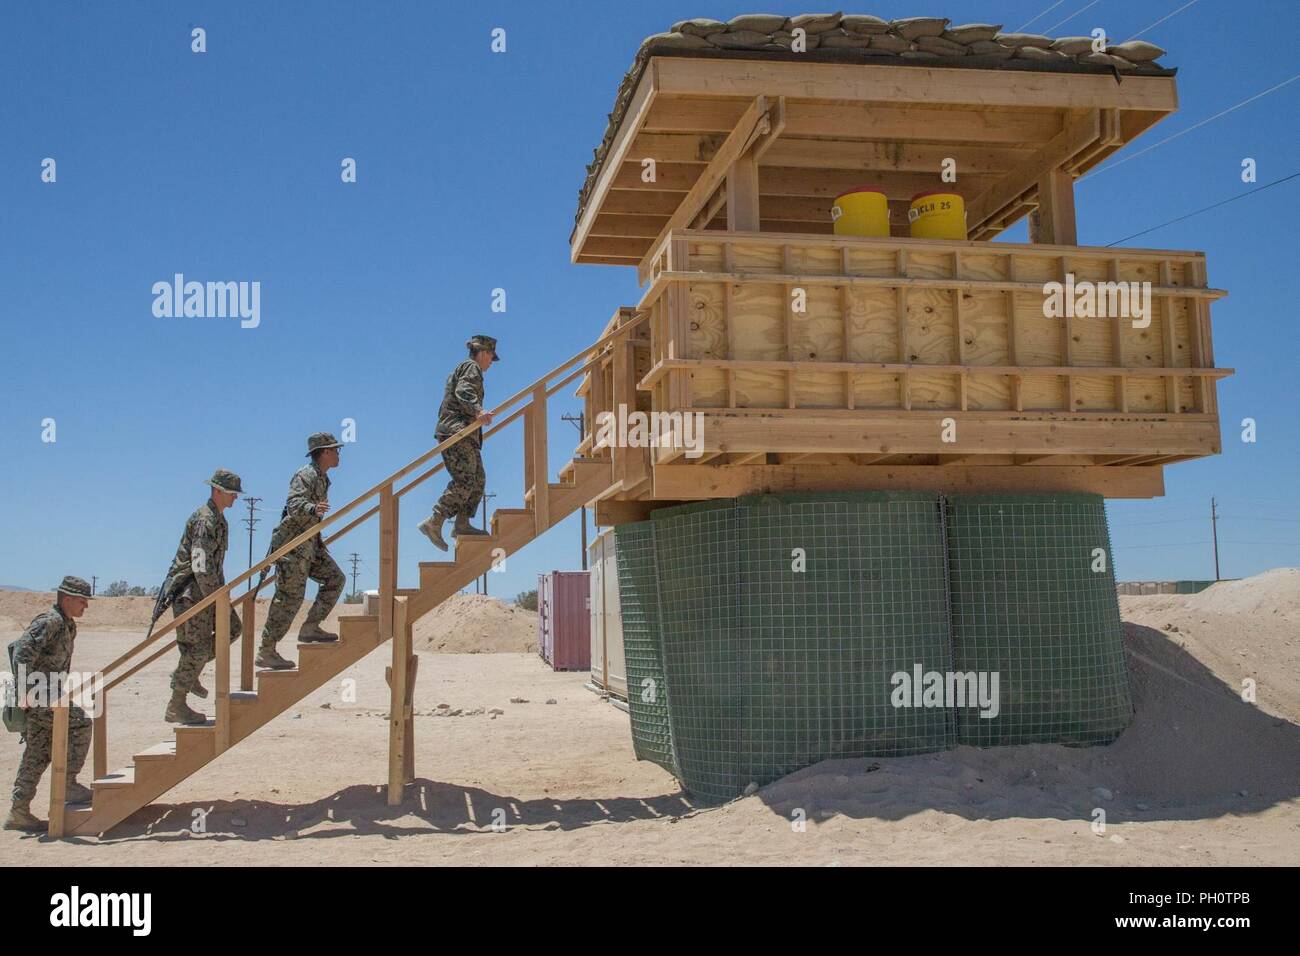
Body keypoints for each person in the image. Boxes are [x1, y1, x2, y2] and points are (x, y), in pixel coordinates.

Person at [5, 576, 95, 831]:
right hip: (38, 695)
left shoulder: (67, 624)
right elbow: (21, 652)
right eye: (81, 601)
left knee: (38, 752)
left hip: (48, 694)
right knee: (81, 724)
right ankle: (68, 783)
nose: (85, 607)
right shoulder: (50, 622)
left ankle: (18, 811)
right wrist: (25, 692)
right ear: (66, 599)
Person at [257, 432, 347, 669]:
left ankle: (310, 627)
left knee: (335, 578)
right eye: (336, 450)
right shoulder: (305, 474)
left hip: (310, 545)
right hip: (293, 546)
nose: (338, 454)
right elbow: (294, 504)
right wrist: (312, 507)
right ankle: (267, 649)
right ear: (325, 452)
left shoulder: (322, 478)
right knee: (289, 598)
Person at [162, 469, 245, 725]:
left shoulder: (219, 520)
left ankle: (187, 671)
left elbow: (214, 565)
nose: (235, 498)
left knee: (232, 628)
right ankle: (177, 703)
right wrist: (214, 597)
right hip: (192, 594)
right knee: (196, 649)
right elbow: (199, 564)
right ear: (217, 491)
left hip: (209, 593)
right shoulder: (204, 520)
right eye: (231, 493)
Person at [417, 334, 498, 551]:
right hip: (456, 432)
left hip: (463, 434)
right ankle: (435, 520)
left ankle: (462, 523)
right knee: (465, 480)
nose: (491, 362)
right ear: (483, 353)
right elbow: (463, 391)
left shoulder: (467, 367)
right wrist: (478, 410)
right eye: (491, 357)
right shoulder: (471, 367)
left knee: (477, 479)